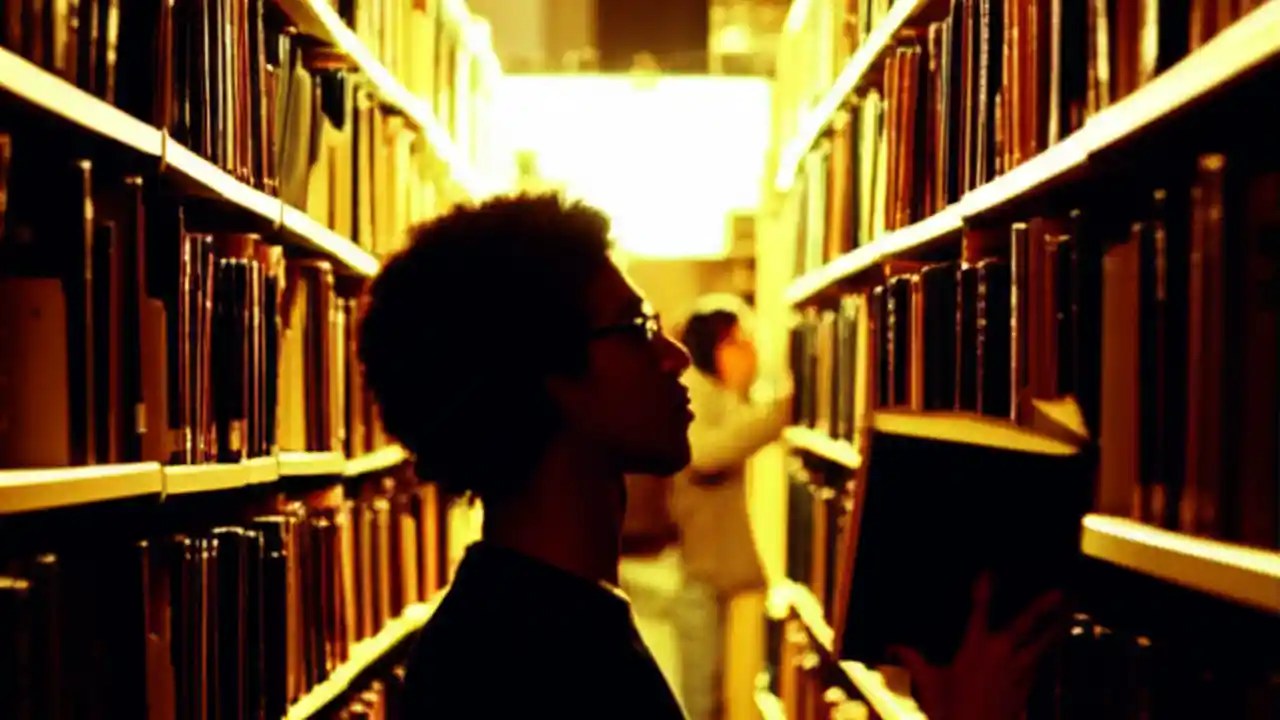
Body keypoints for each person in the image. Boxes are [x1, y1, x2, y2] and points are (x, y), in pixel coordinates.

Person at [358, 194, 1063, 720]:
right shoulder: (528, 667)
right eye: (637, 331)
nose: (674, 356)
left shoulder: (538, 618)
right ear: (544, 374)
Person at [668, 295, 790, 720]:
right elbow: (704, 452)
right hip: (697, 572)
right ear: (714, 347)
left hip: (714, 569)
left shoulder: (721, 395)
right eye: (739, 341)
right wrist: (777, 415)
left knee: (718, 694)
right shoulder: (694, 392)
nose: (751, 352)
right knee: (701, 699)